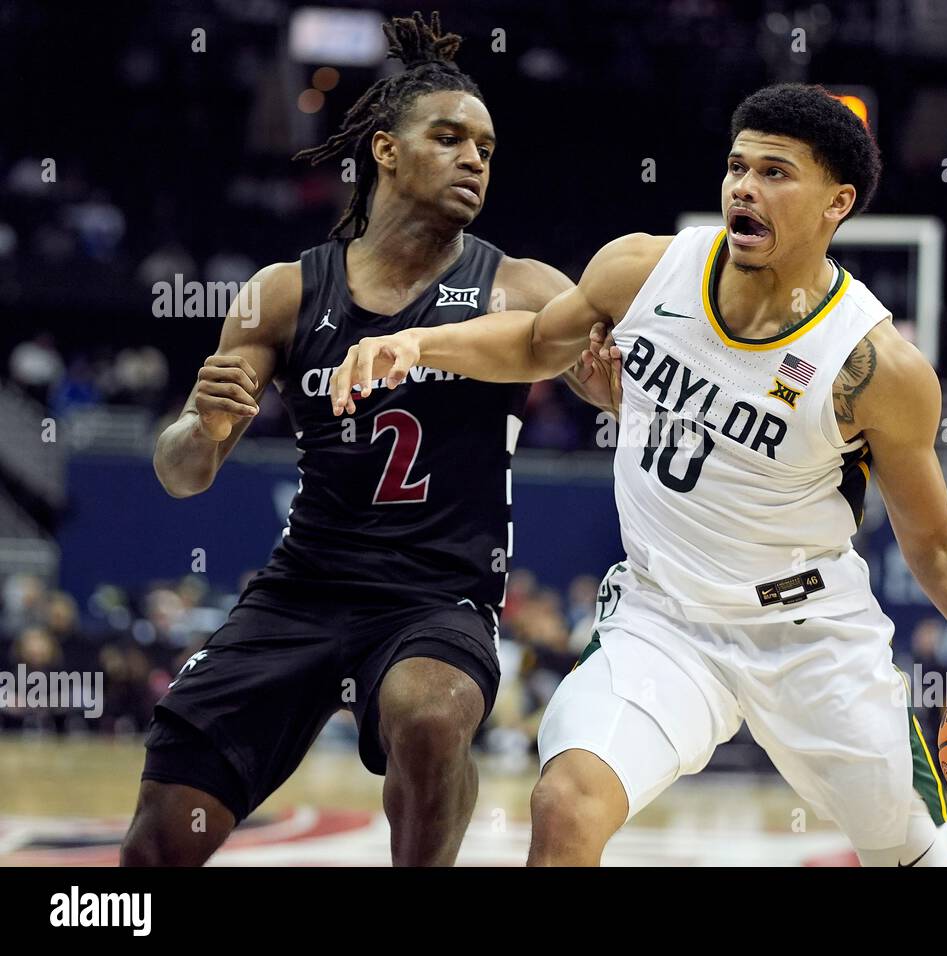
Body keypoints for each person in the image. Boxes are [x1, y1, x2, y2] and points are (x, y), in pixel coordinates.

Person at [329, 82, 947, 867]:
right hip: (662, 621)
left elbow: (938, 548)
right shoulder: (642, 270)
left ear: (837, 202)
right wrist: (418, 344)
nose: (745, 187)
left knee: (918, 858)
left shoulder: (876, 366)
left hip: (814, 641)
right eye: (738, 166)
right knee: (565, 803)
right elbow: (538, 342)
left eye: (776, 172)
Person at [120, 12, 615, 867]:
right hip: (301, 591)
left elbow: (607, 379)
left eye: (487, 150)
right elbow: (184, 475)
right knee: (156, 844)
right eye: (451, 138)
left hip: (438, 597)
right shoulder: (279, 293)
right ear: (385, 150)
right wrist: (196, 425)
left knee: (430, 714)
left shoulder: (522, 286)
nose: (474, 160)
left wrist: (607, 382)